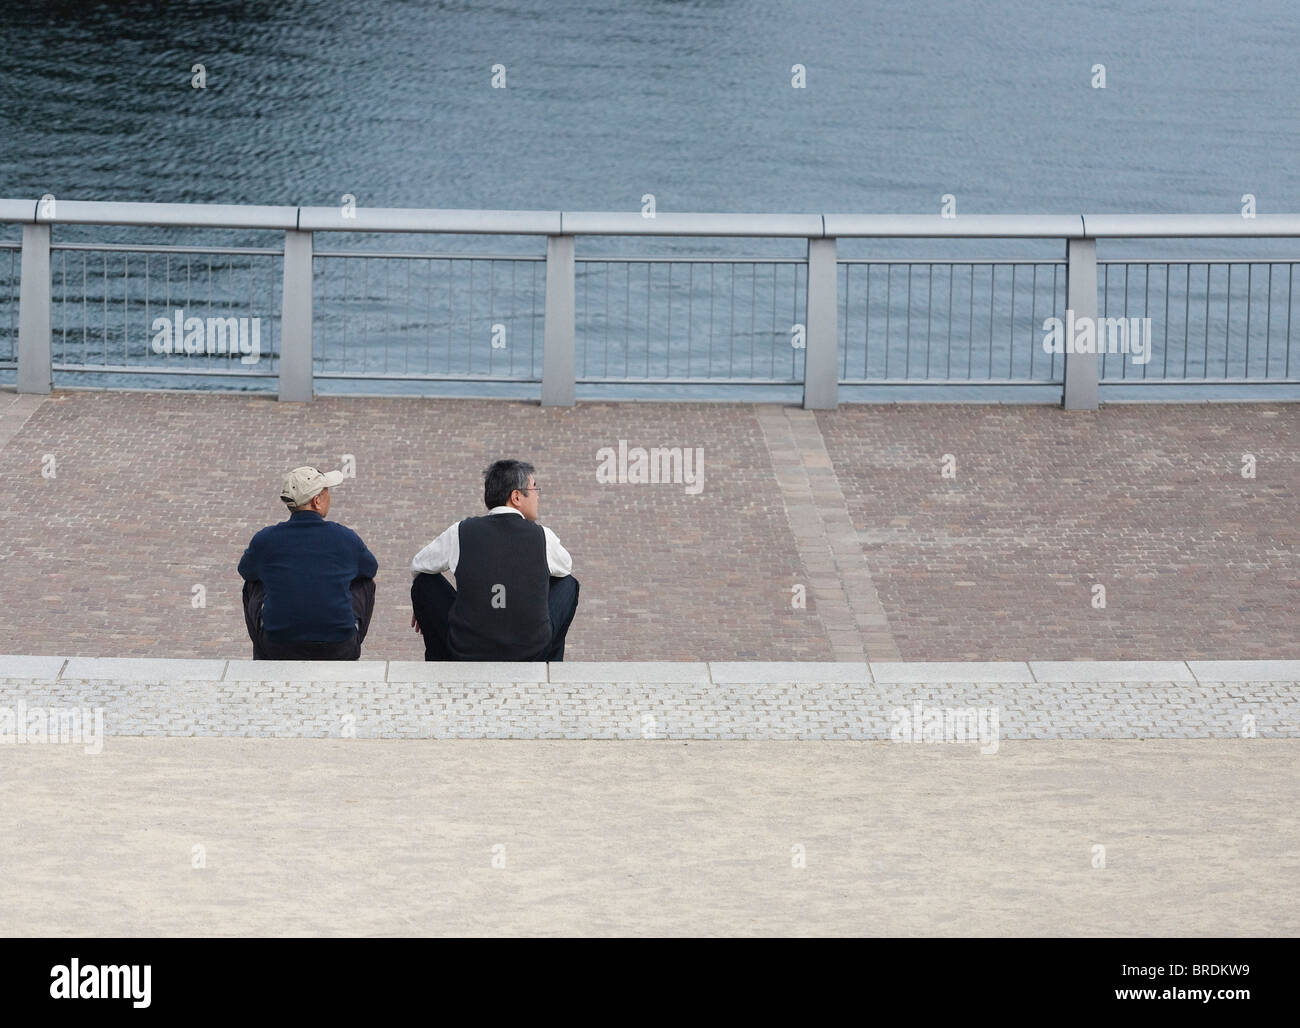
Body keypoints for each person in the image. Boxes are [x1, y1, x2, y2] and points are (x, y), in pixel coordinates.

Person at [410, 459, 578, 661]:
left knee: (423, 583)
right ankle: (550, 665)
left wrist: (423, 610)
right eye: (534, 489)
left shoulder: (461, 531)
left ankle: (440, 662)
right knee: (568, 583)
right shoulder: (542, 536)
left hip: (468, 649)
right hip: (531, 652)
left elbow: (418, 565)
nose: (538, 496)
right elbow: (565, 567)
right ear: (516, 496)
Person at [238, 466, 378, 660]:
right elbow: (370, 568)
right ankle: (349, 643)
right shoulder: (345, 538)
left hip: (278, 646)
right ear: (317, 501)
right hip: (339, 647)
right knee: (364, 582)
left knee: (254, 582)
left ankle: (263, 658)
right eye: (326, 491)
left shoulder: (265, 540)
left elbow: (245, 570)